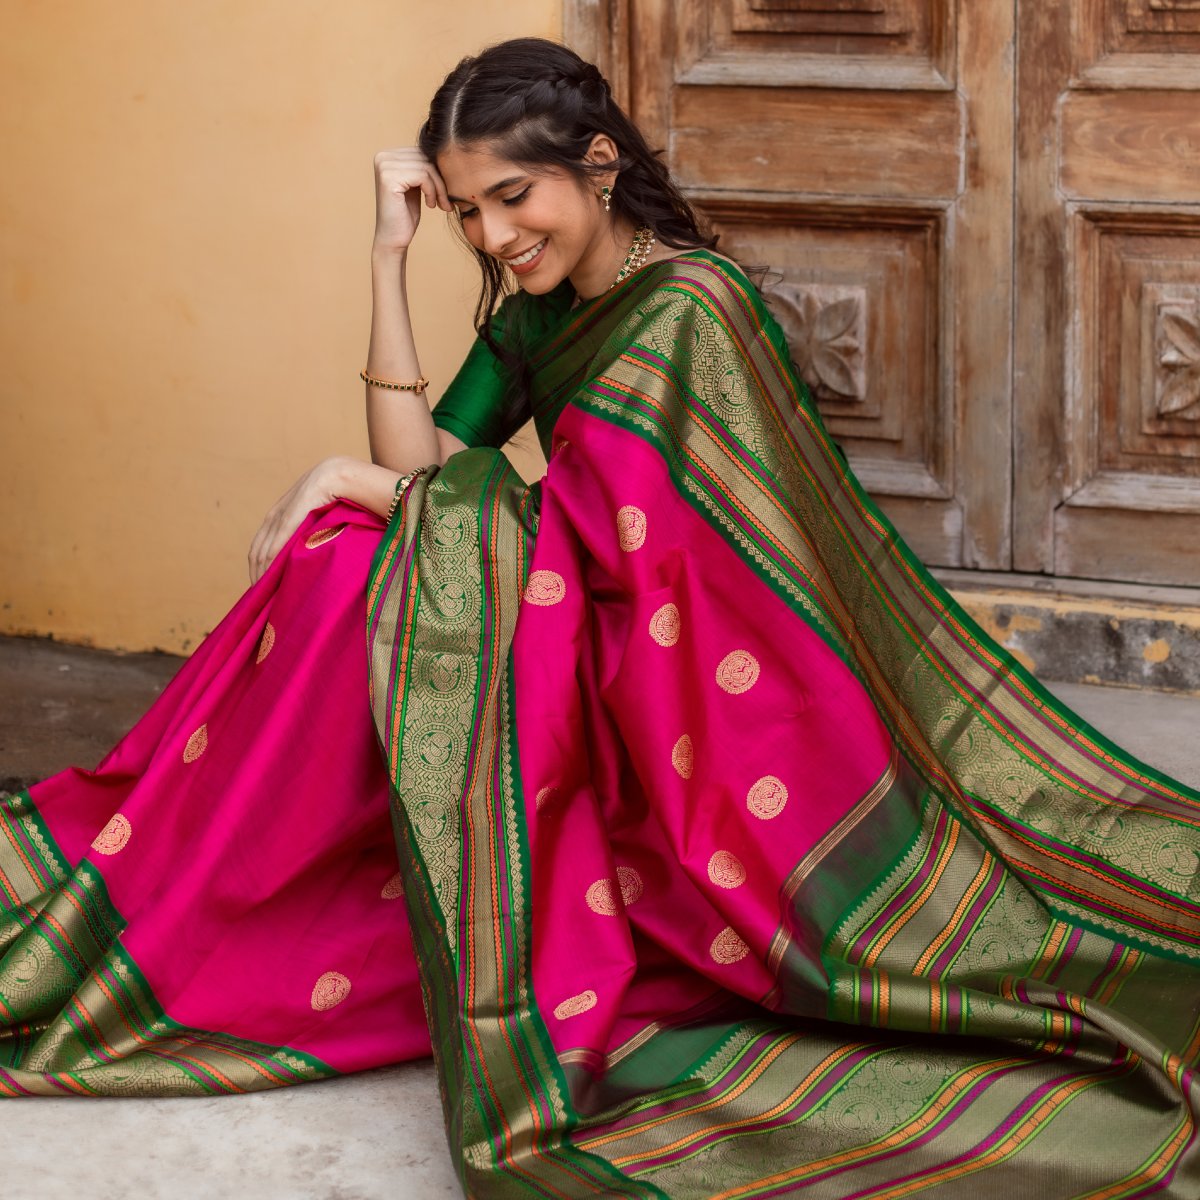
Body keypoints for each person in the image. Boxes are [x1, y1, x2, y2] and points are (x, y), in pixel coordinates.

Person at [4, 34, 1199, 1199]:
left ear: (600, 166)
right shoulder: (535, 309)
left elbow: (591, 538)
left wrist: (353, 483)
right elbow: (436, 469)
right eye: (467, 211)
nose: (493, 234)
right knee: (340, 561)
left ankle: (205, 893)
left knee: (342, 551)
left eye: (514, 197)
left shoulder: (690, 308)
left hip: (701, 679)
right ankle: (199, 883)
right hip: (587, 619)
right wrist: (384, 261)